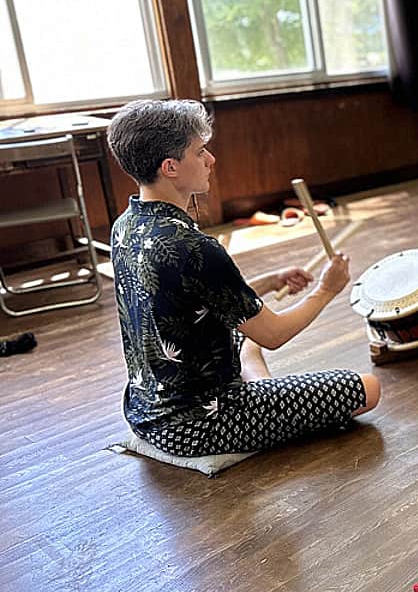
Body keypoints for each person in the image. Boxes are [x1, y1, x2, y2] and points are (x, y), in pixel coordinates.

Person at [107, 99, 380, 458]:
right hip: (203, 424)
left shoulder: (126, 225)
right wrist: (326, 290)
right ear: (170, 167)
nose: (211, 160)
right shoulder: (195, 247)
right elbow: (275, 334)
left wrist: (268, 281)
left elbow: (187, 299)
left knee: (246, 342)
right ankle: (271, 405)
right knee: (368, 388)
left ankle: (271, 399)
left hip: (146, 411)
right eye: (200, 151)